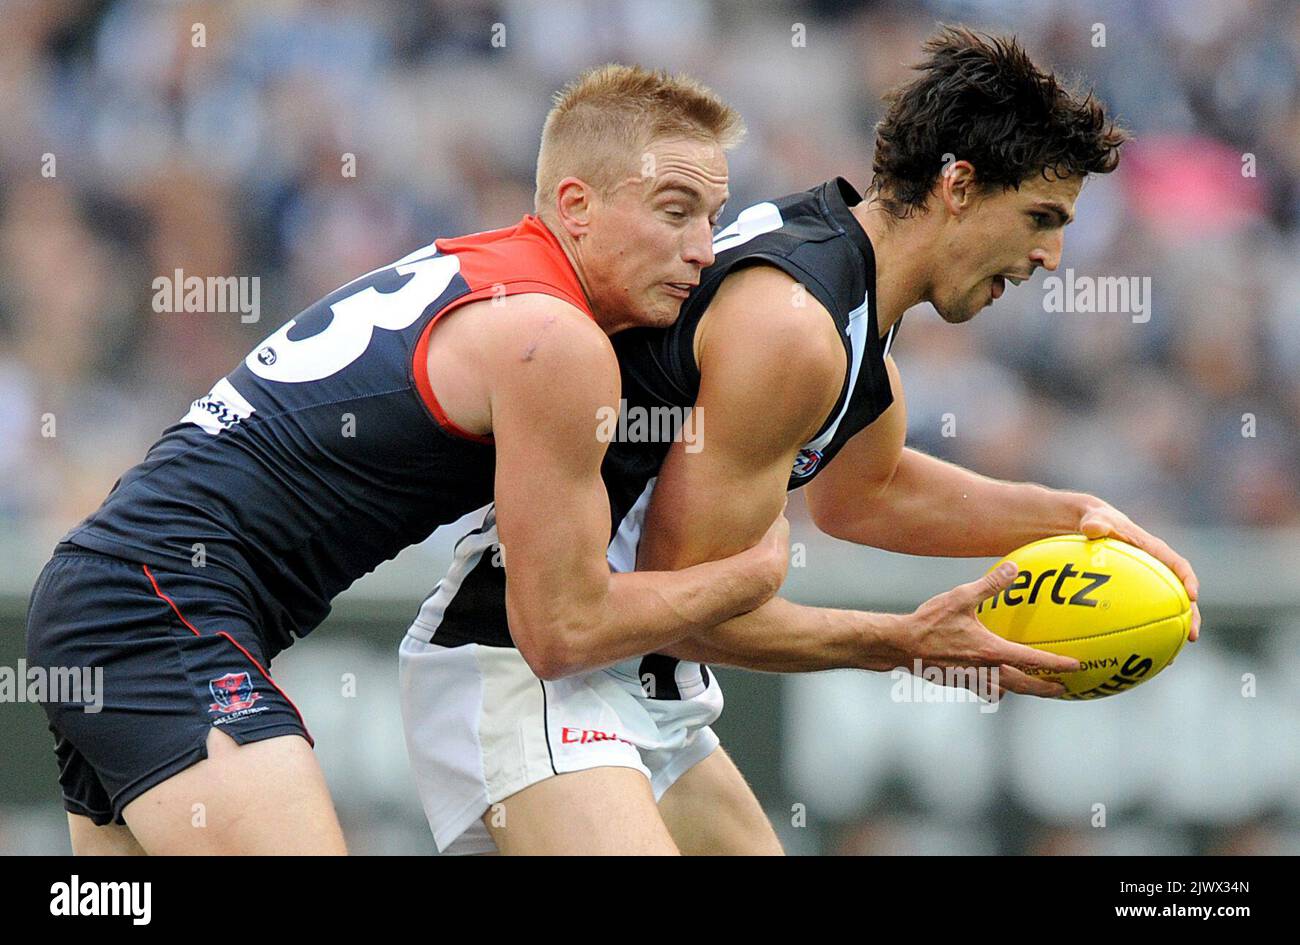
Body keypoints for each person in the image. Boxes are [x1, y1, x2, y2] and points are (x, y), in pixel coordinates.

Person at [400, 27, 1201, 856]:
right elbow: (685, 609)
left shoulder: (852, 304)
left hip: (640, 693)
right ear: (958, 184)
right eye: (1041, 217)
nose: (1051, 256)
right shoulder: (797, 327)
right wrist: (903, 643)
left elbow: (868, 494)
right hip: (526, 669)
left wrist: (1076, 518)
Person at [23, 64, 789, 856]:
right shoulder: (553, 339)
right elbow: (560, 630)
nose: (701, 248)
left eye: (712, 218)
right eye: (675, 212)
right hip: (160, 602)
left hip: (115, 589)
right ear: (576, 206)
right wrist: (744, 580)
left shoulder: (487, 270)